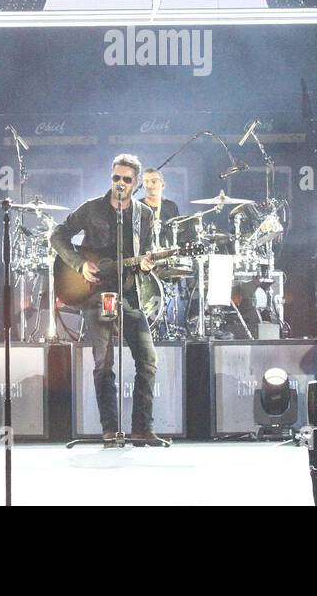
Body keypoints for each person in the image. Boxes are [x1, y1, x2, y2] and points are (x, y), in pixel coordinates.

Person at [51, 154, 165, 446]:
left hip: (130, 294)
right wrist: (79, 264)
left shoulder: (145, 215)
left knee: (148, 359)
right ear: (111, 178)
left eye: (127, 180)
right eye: (116, 178)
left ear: (135, 183)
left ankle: (141, 428)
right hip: (95, 294)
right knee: (104, 362)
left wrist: (147, 263)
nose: (120, 184)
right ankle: (110, 430)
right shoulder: (90, 210)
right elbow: (58, 235)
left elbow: (148, 254)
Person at [141, 168, 183, 248]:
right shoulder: (137, 206)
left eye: (154, 181)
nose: (149, 185)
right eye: (146, 182)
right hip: (144, 255)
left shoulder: (171, 206)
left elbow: (178, 232)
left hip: (168, 253)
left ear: (163, 185)